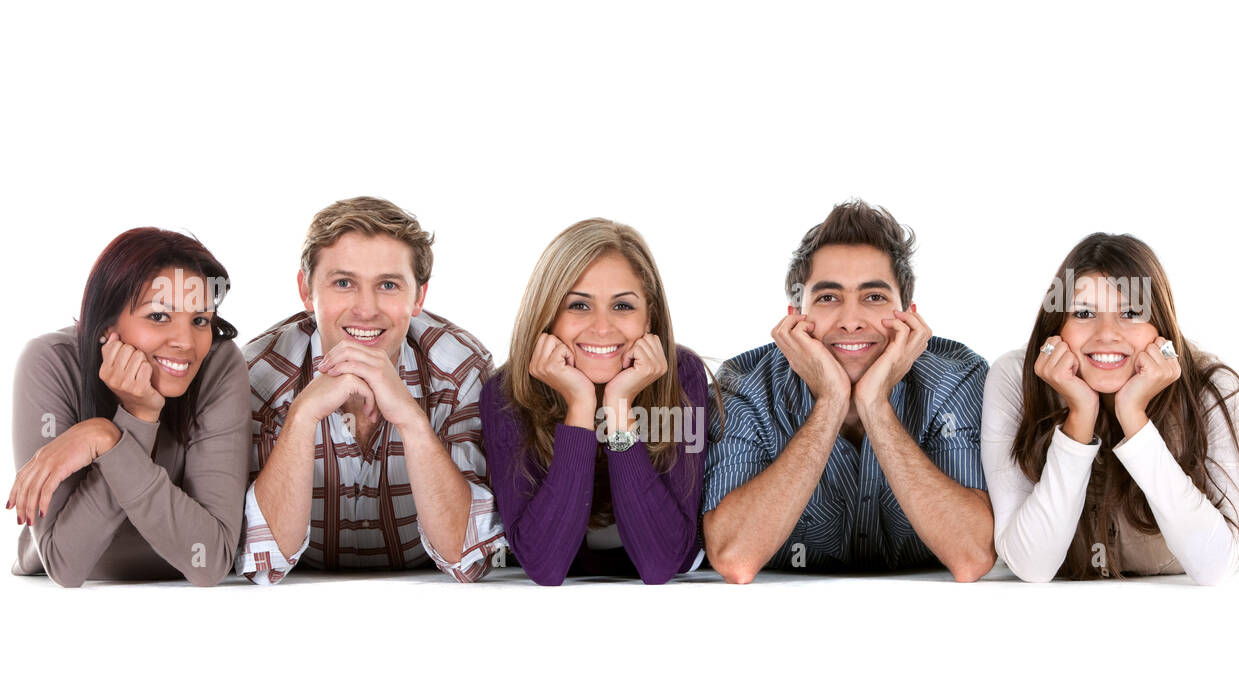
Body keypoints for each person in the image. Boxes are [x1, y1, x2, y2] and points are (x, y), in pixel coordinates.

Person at [702, 200, 995, 583]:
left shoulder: (956, 376)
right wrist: (830, 404)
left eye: (874, 297)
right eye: (828, 297)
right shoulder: (744, 384)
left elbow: (971, 556)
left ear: (909, 315)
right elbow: (735, 559)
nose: (852, 321)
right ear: (796, 316)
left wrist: (875, 405)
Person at [980, 232, 1239, 583]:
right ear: (1056, 324)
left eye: (1132, 312)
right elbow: (1031, 565)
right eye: (1085, 312)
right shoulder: (1014, 378)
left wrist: (1134, 418)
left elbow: (1215, 566)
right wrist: (1079, 417)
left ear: (1161, 327)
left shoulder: (1215, 389)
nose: (1107, 334)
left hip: (1222, 452)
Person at [237, 196, 503, 584]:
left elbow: (468, 559)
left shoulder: (461, 369)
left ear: (419, 297)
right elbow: (263, 566)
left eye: (389, 285)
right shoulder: (258, 374)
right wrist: (302, 415)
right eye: (343, 283)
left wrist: (411, 419)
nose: (366, 309)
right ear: (306, 291)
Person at [9, 228, 248, 586]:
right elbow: (67, 564)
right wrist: (136, 421)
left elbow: (209, 558)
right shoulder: (50, 363)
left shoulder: (219, 364)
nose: (186, 342)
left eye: (200, 320)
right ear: (106, 321)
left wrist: (107, 438)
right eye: (159, 316)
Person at [479, 219, 708, 585]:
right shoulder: (505, 394)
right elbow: (545, 565)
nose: (602, 328)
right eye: (579, 306)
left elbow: (661, 561)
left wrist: (618, 407)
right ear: (547, 314)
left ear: (649, 315)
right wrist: (581, 406)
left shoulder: (683, 376)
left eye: (622, 306)